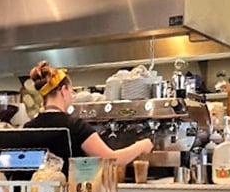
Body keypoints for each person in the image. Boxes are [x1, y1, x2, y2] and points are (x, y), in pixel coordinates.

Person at [24, 60, 153, 171]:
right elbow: (110, 160)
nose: (72, 96)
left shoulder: (28, 128)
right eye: (71, 91)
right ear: (63, 90)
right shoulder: (75, 126)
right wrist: (141, 146)